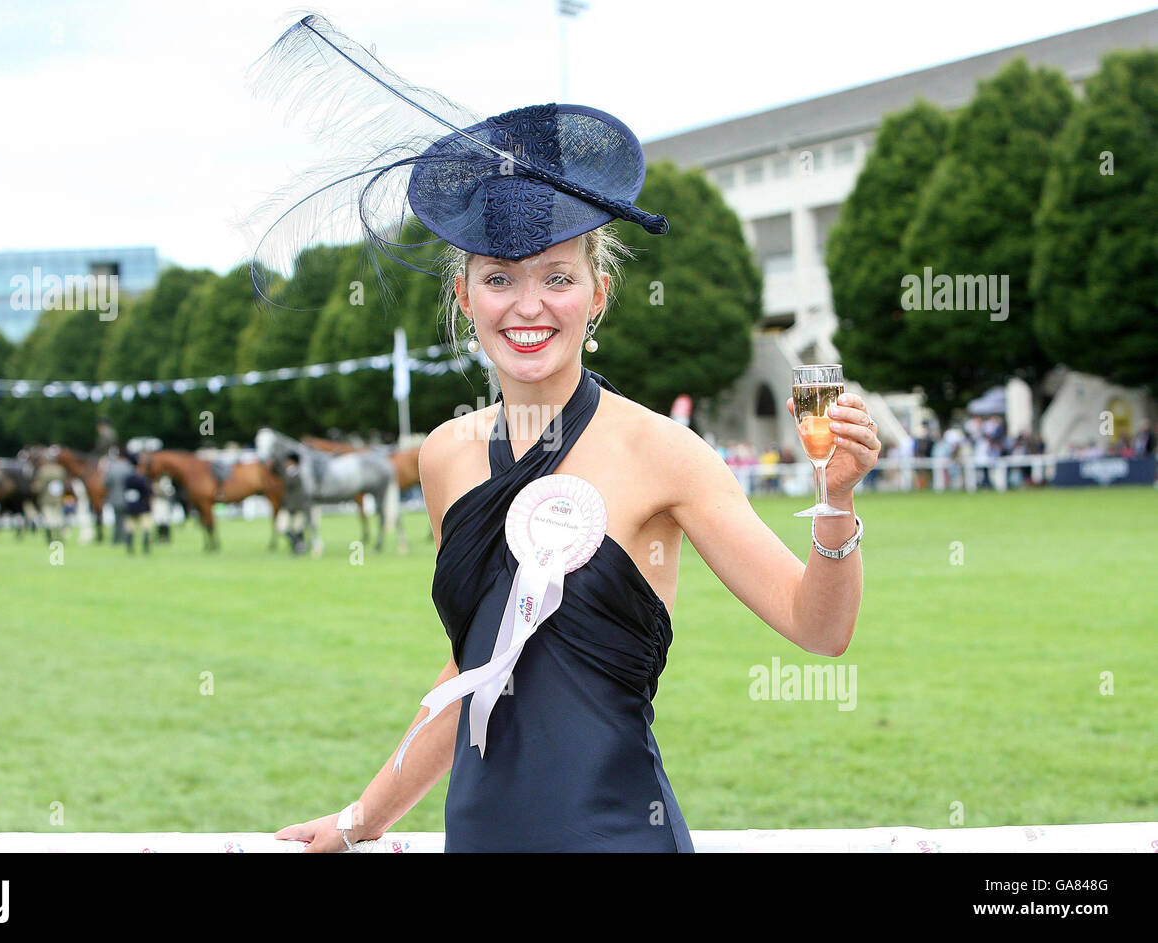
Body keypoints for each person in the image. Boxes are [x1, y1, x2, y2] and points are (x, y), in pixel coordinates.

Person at [259, 16, 879, 854]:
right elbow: (472, 670)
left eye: (557, 276)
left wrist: (835, 503)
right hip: (477, 838)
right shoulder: (443, 457)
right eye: (500, 279)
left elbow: (818, 627)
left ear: (598, 295)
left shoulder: (666, 452)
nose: (528, 305)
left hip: (621, 837)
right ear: (464, 297)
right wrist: (360, 819)